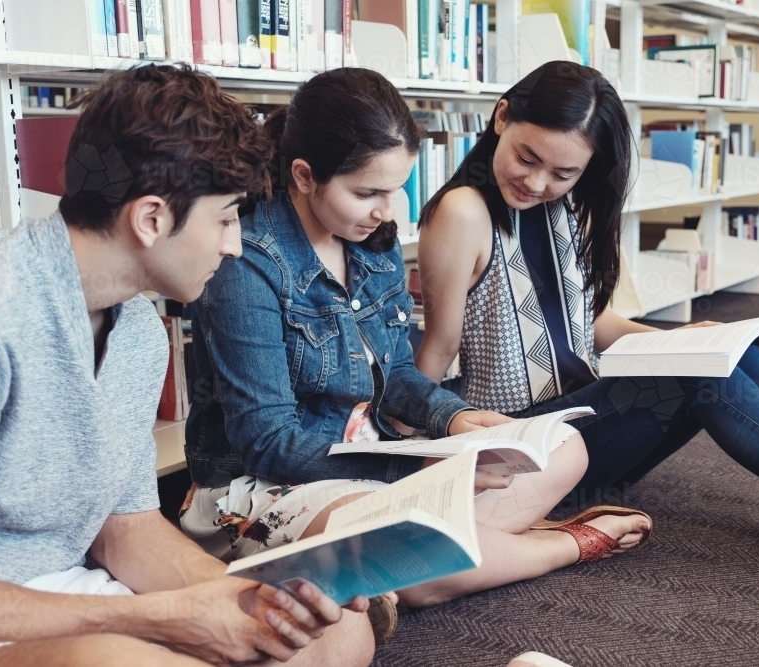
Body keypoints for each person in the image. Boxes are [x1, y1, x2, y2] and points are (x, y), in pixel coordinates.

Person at [413, 60, 759, 580]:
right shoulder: (463, 212)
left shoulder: (560, 208)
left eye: (564, 172)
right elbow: (437, 348)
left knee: (725, 354)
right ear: (501, 117)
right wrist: (414, 463)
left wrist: (680, 339)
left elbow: (589, 320)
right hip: (523, 450)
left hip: (584, 420)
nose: (538, 181)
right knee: (697, 376)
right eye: (528, 158)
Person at [0, 64, 375, 667]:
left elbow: (125, 525)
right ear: (151, 219)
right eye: (225, 218)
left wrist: (244, 596)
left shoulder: (139, 332)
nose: (234, 245)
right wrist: (150, 617)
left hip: (74, 603)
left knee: (332, 637)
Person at [182, 67, 653, 610]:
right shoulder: (249, 266)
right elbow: (268, 442)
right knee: (397, 545)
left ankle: (431, 563)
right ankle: (561, 544)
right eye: (368, 192)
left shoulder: (371, 240)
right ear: (305, 176)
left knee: (564, 450)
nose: (389, 211)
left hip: (376, 464)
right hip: (265, 485)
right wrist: (415, 466)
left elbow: (397, 373)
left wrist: (451, 420)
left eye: (398, 188)